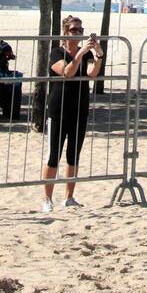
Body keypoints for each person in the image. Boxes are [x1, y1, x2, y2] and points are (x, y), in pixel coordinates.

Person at [41, 15, 103, 212]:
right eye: (74, 30)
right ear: (65, 33)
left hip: (79, 109)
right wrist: (80, 53)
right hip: (58, 110)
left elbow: (92, 74)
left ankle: (69, 197)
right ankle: (47, 199)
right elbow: (67, 72)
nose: (78, 33)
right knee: (53, 156)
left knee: (73, 155)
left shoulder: (85, 55)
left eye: (80, 30)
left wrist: (98, 54)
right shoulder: (56, 53)